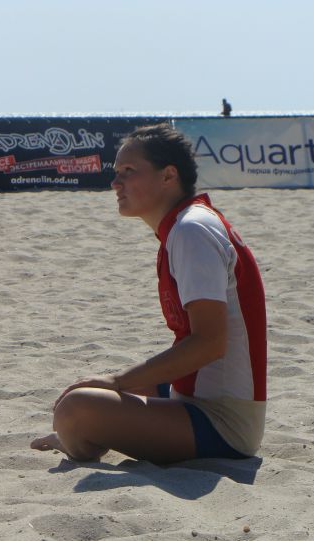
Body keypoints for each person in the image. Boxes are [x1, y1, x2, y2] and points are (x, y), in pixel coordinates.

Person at [30, 124, 266, 464]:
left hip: (223, 422)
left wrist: (118, 381)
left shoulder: (191, 230)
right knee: (89, 394)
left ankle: (80, 437)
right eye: (116, 172)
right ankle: (84, 433)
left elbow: (210, 343)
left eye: (128, 171)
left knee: (74, 409)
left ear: (168, 175)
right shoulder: (186, 226)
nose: (116, 183)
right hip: (199, 396)